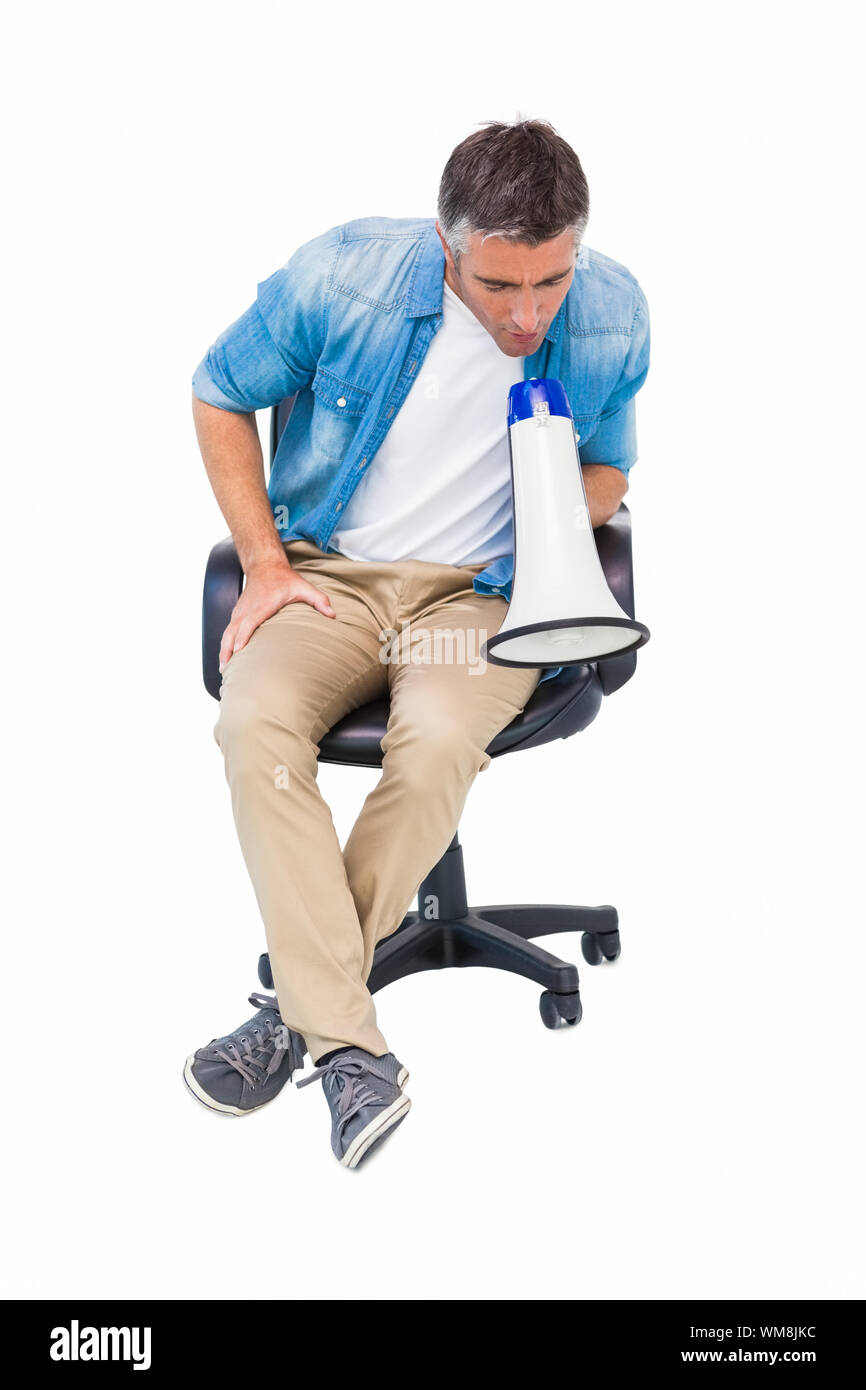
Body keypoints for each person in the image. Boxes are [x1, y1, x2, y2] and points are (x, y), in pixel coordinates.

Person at [185, 118, 650, 1169]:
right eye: (498, 286)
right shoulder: (341, 279)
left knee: (436, 737)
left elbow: (610, 465)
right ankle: (346, 1040)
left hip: (478, 601)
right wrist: (264, 563)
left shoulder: (613, 309)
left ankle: (298, 1021)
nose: (528, 313)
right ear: (448, 249)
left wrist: (554, 520)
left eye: (550, 281)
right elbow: (219, 389)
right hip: (333, 580)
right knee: (253, 724)